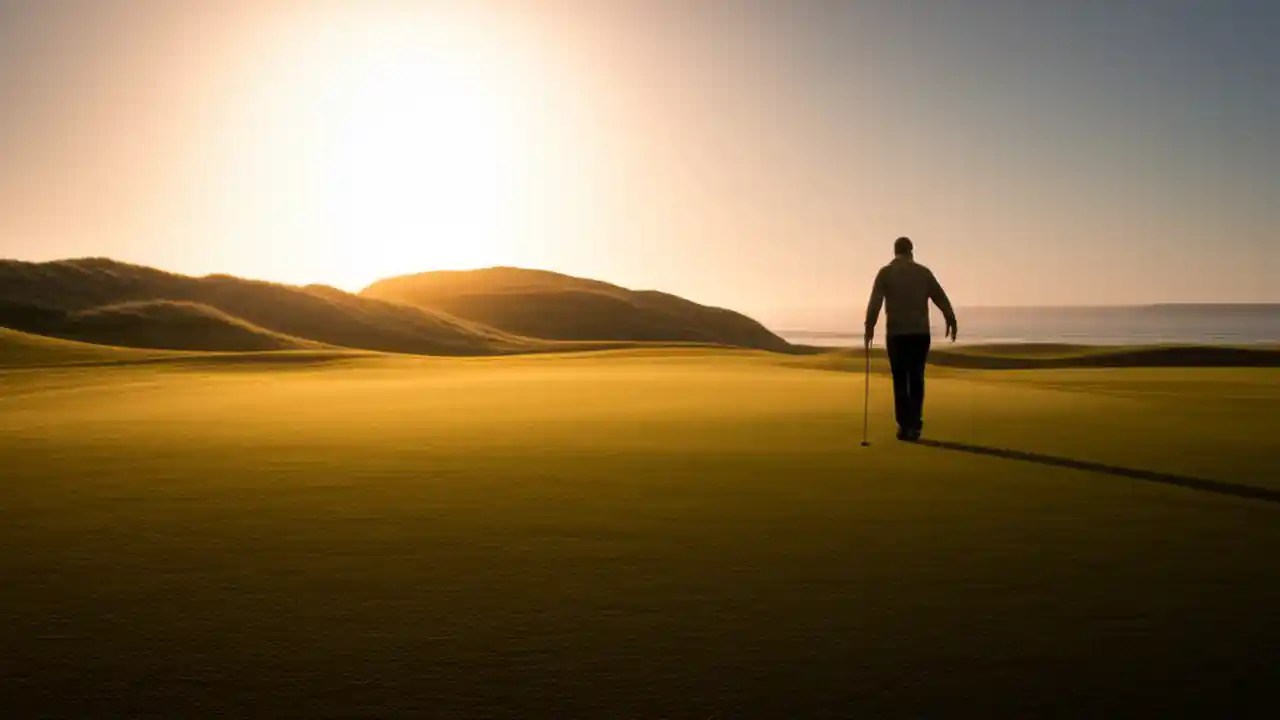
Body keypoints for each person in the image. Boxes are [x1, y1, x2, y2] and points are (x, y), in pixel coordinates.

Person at [864, 236, 957, 441]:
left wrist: (869, 327)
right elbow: (940, 297)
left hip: (897, 334)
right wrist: (950, 318)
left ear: (894, 251)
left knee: (899, 379)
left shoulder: (886, 273)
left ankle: (903, 425)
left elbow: (875, 302)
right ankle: (914, 424)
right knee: (916, 378)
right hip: (920, 334)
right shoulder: (923, 273)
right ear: (911, 251)